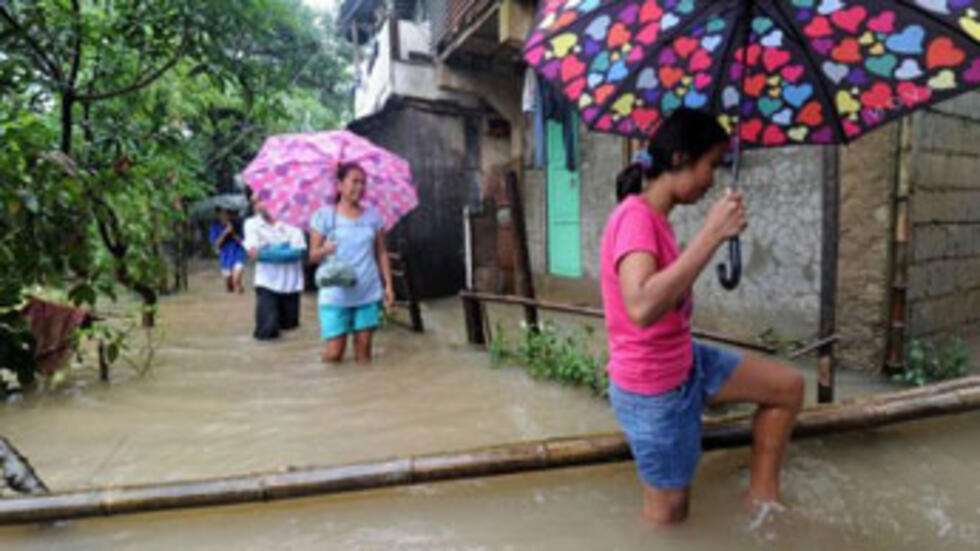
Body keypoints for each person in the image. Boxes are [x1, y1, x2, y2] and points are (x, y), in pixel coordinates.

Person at [600, 108, 805, 526]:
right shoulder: (636, 218)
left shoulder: (656, 218)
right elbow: (640, 306)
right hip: (653, 389)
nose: (713, 179)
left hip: (684, 361)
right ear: (679, 159)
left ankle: (762, 498)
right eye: (711, 164)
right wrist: (712, 233)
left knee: (787, 388)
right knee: (669, 517)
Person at [309, 162, 394, 363]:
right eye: (354, 181)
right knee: (334, 354)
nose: (360, 187)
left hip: (368, 291)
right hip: (335, 295)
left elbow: (381, 252)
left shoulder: (374, 217)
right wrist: (325, 249)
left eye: (363, 183)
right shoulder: (324, 216)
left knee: (364, 354)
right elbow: (312, 256)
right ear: (339, 185)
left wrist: (388, 286)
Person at [242, 197, 307, 340]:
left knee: (290, 329)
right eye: (255, 202)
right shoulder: (252, 224)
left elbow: (298, 253)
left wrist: (266, 251)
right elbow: (253, 253)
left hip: (291, 285)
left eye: (261, 200)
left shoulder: (294, 221)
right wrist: (284, 248)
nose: (258, 205)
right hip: (266, 283)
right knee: (267, 330)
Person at [208, 208, 246, 293]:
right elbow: (216, 245)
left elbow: (242, 242)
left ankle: (238, 288)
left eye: (226, 214)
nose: (224, 216)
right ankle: (234, 286)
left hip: (237, 253)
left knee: (236, 278)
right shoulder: (215, 227)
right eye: (222, 214)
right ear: (218, 215)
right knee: (229, 284)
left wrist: (232, 232)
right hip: (225, 256)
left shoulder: (238, 224)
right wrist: (225, 233)